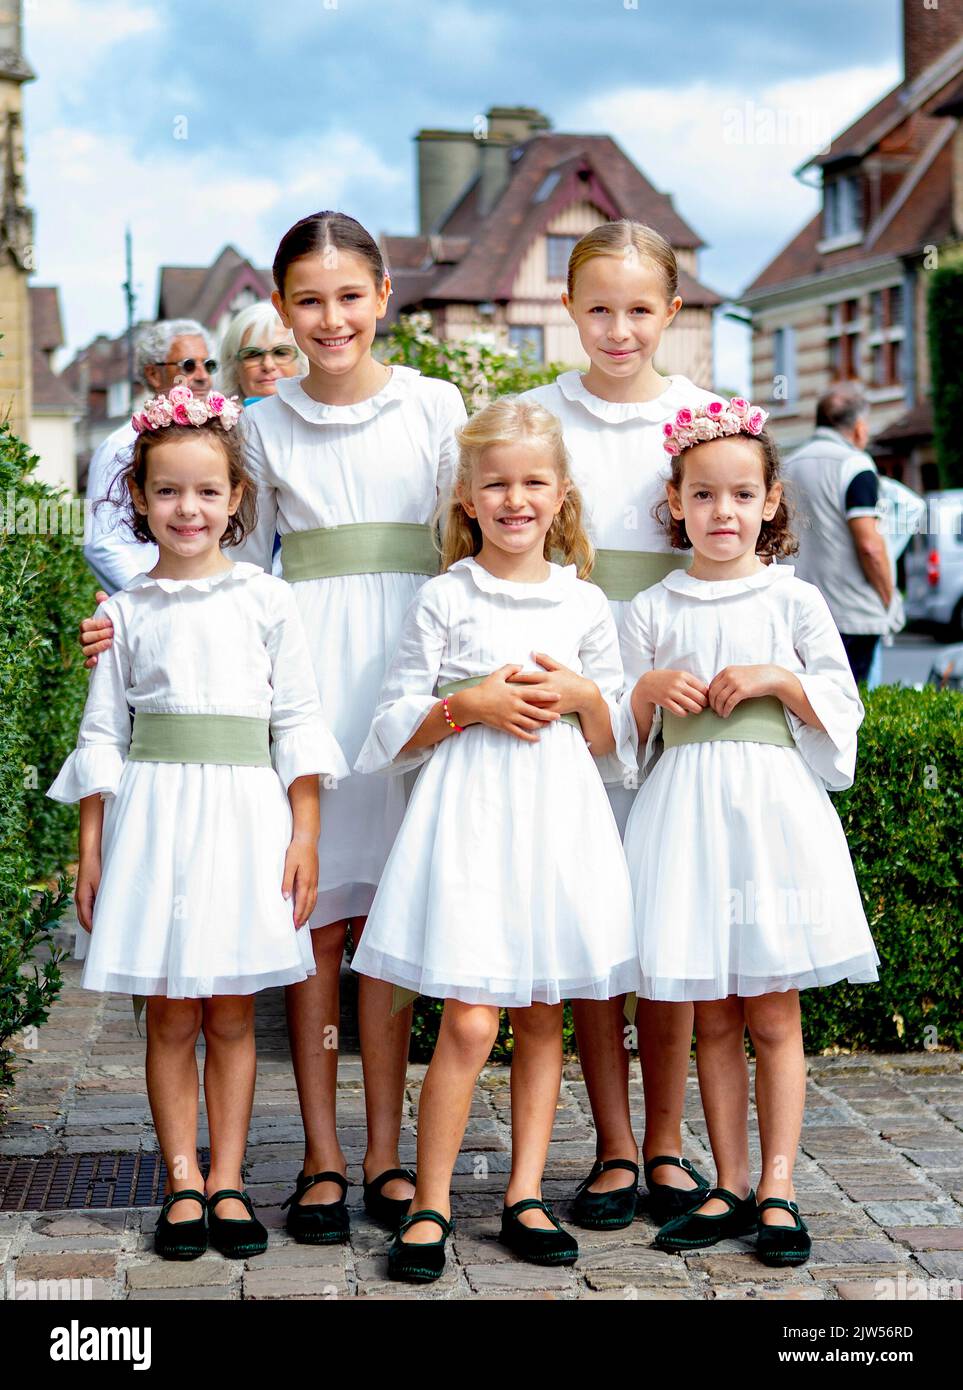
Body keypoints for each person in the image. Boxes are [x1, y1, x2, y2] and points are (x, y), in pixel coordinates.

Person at [78, 210, 468, 1243]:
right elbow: (215, 554)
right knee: (317, 923)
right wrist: (127, 620)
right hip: (307, 672)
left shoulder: (437, 404)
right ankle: (323, 1156)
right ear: (284, 311)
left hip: (414, 666)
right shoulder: (262, 422)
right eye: (309, 300)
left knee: (395, 919)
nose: (332, 317)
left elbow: (463, 542)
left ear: (384, 298)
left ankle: (387, 1151)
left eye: (351, 295)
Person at [47, 387, 349, 1261]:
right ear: (139, 498)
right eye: (169, 491)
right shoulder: (125, 613)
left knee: (228, 1012)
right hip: (155, 820)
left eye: (208, 492)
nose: (190, 509)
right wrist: (91, 846)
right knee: (171, 1014)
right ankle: (180, 1177)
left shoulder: (266, 600)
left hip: (245, 819)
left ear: (236, 500)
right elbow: (102, 733)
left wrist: (304, 835)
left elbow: (295, 722)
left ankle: (228, 1180)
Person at [350, 396, 639, 1282]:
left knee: (540, 1011)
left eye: (533, 483)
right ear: (467, 498)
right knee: (470, 1019)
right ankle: (430, 1203)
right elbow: (394, 722)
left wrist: (590, 698)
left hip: (555, 824)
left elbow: (613, 737)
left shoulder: (583, 602)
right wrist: (463, 705)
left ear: (560, 497)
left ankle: (522, 1193)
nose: (516, 499)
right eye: (496, 484)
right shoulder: (446, 597)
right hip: (471, 824)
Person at [620, 398, 879, 1266]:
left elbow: (841, 710)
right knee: (711, 1016)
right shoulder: (653, 608)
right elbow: (621, 740)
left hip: (768, 817)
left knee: (771, 1010)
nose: (720, 513)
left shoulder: (793, 601)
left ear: (771, 501)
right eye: (702, 496)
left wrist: (777, 678)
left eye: (739, 495)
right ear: (676, 501)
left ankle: (777, 1185)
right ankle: (727, 1179)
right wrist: (648, 690)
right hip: (685, 818)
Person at [521, 221, 723, 1229]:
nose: (617, 328)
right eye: (598, 308)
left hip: (673, 678)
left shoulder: (704, 418)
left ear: (671, 314)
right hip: (577, 679)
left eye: (640, 309)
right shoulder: (532, 415)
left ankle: (669, 1142)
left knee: (669, 914)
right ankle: (608, 1144)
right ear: (569, 307)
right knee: (597, 921)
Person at [83, 319, 217, 594]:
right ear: (154, 375)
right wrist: (155, 596)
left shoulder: (219, 439)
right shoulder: (121, 446)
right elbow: (102, 543)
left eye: (209, 365)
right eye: (189, 366)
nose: (203, 376)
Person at [782, 383, 894, 685]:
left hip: (796, 613)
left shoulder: (785, 466)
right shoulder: (856, 465)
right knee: (852, 708)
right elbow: (870, 545)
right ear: (858, 428)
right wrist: (888, 598)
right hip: (852, 614)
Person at [216, 301, 305, 406]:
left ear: (301, 363)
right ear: (234, 369)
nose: (268, 365)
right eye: (253, 354)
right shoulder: (213, 421)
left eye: (280, 352)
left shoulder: (325, 420)